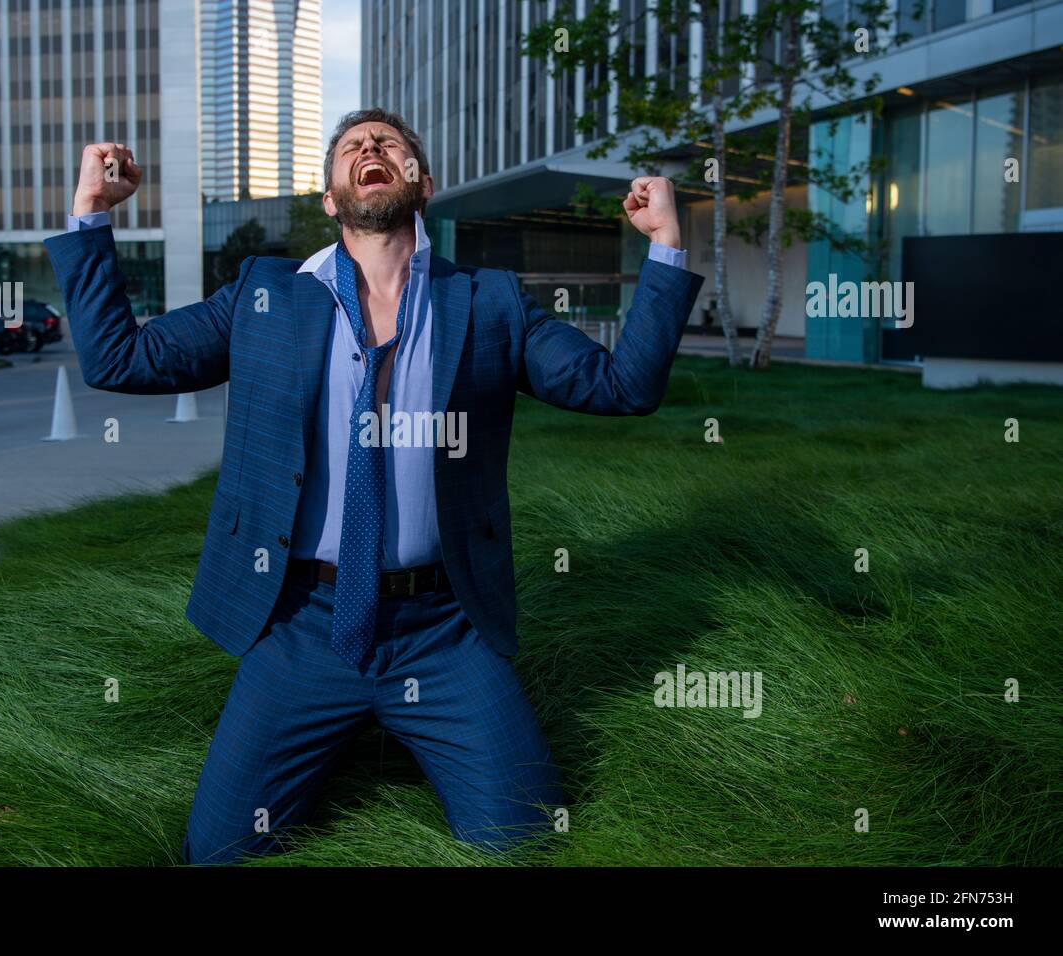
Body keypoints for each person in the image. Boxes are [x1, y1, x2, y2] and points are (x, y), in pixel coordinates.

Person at [43, 108, 704, 864]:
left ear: (422, 183)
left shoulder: (489, 300)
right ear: (331, 198)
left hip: (444, 630)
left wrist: (665, 248)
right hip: (299, 625)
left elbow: (620, 385)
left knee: (523, 841)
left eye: (389, 143)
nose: (369, 148)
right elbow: (120, 360)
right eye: (351, 146)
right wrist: (91, 213)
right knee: (219, 850)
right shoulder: (265, 294)